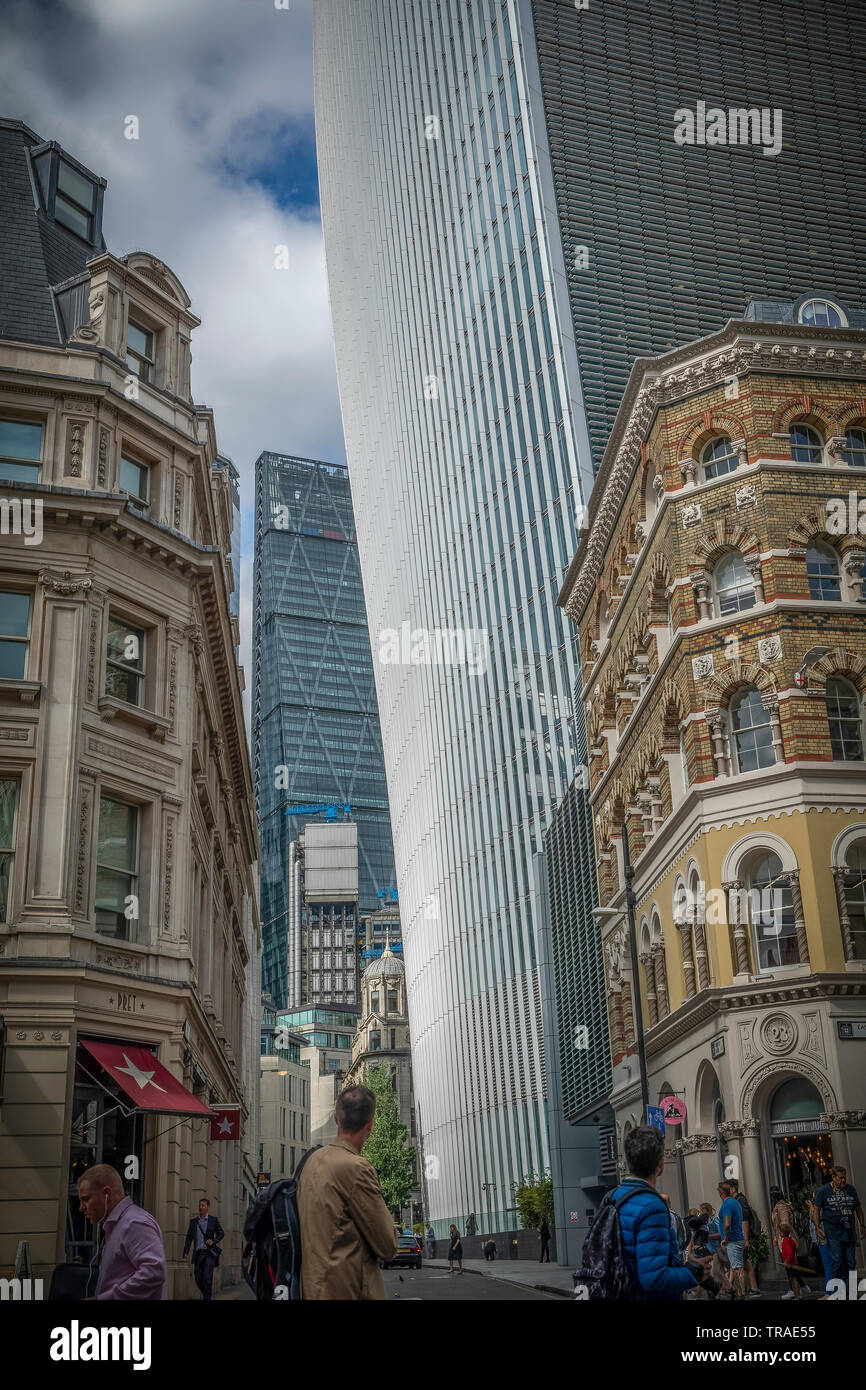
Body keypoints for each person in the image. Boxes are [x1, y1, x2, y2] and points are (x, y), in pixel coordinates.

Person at [296, 1084, 398, 1299]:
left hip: (312, 1290)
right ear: (370, 1124)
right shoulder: (356, 1168)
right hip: (348, 1291)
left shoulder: (310, 1163)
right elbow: (387, 1245)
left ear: (336, 1119)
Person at [608, 1126, 703, 1300]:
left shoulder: (613, 1198)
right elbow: (654, 1278)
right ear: (660, 1164)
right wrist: (694, 1273)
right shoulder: (652, 1206)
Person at [77, 1164, 167, 1300]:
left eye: (86, 1199)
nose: (81, 1208)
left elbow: (154, 1272)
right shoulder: (118, 1224)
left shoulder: (134, 1223)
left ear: (107, 1194)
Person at [813, 1166, 865, 1289]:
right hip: (833, 1232)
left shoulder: (851, 1190)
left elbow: (858, 1208)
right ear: (834, 1177)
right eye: (840, 1178)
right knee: (836, 1260)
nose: (843, 1180)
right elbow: (816, 1209)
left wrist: (862, 1225)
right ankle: (838, 1290)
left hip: (849, 1232)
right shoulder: (824, 1190)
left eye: (844, 1177)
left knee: (851, 1262)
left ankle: (849, 1292)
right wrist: (817, 1227)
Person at [182, 1197, 224, 1301]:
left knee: (207, 1277)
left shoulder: (213, 1220)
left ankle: (207, 1297)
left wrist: (213, 1241)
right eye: (200, 1205)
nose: (200, 1207)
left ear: (207, 1207)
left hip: (209, 1253)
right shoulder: (194, 1222)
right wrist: (186, 1251)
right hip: (198, 1253)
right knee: (197, 1277)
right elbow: (189, 1237)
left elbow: (221, 1233)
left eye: (203, 1205)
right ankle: (206, 1294)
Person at [728, 1179, 761, 1297]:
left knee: (738, 1264)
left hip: (740, 1238)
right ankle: (753, 1287)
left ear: (732, 1189)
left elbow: (744, 1220)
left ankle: (738, 1290)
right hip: (740, 1237)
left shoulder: (740, 1201)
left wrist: (746, 1239)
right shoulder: (738, 1200)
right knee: (745, 1262)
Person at [718, 1181, 746, 1299]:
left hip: (733, 1240)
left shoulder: (727, 1204)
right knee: (735, 1267)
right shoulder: (735, 1202)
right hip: (736, 1239)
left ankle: (742, 1294)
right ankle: (737, 1291)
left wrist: (725, 1238)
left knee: (737, 1268)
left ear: (721, 1193)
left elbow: (727, 1224)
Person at [700, 1201, 733, 1296]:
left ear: (707, 1210)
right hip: (709, 1250)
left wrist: (709, 1236)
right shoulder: (704, 1222)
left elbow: (721, 1233)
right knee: (717, 1271)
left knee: (716, 1271)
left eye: (702, 1211)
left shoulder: (714, 1220)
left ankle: (728, 1288)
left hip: (716, 1249)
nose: (701, 1213)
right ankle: (722, 1290)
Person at [807, 1187, 833, 1290]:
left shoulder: (820, 1206)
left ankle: (830, 1291)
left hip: (824, 1238)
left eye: (813, 1194)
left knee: (828, 1265)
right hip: (826, 1238)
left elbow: (814, 1218)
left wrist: (811, 1207)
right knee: (829, 1264)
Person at [779, 1224, 803, 1300]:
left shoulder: (785, 1241)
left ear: (783, 1233)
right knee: (793, 1280)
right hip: (793, 1263)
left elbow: (790, 1253)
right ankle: (797, 1295)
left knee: (793, 1280)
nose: (779, 1233)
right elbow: (795, 1246)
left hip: (791, 1265)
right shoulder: (790, 1240)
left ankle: (797, 1296)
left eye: (780, 1232)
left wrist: (788, 1262)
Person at [769, 1187, 794, 1255]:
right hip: (784, 1238)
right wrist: (776, 1237)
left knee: (789, 1262)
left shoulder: (781, 1206)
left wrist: (782, 1238)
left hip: (786, 1240)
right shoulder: (780, 1206)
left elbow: (785, 1224)